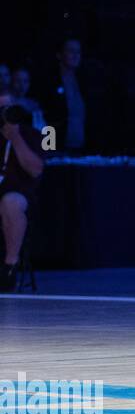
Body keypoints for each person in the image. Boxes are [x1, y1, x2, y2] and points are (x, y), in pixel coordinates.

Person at [0, 92, 45, 292]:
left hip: (17, 191)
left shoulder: (33, 134)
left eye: (8, 109)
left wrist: (15, 137)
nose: (4, 114)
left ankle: (10, 266)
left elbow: (35, 170)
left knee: (11, 202)